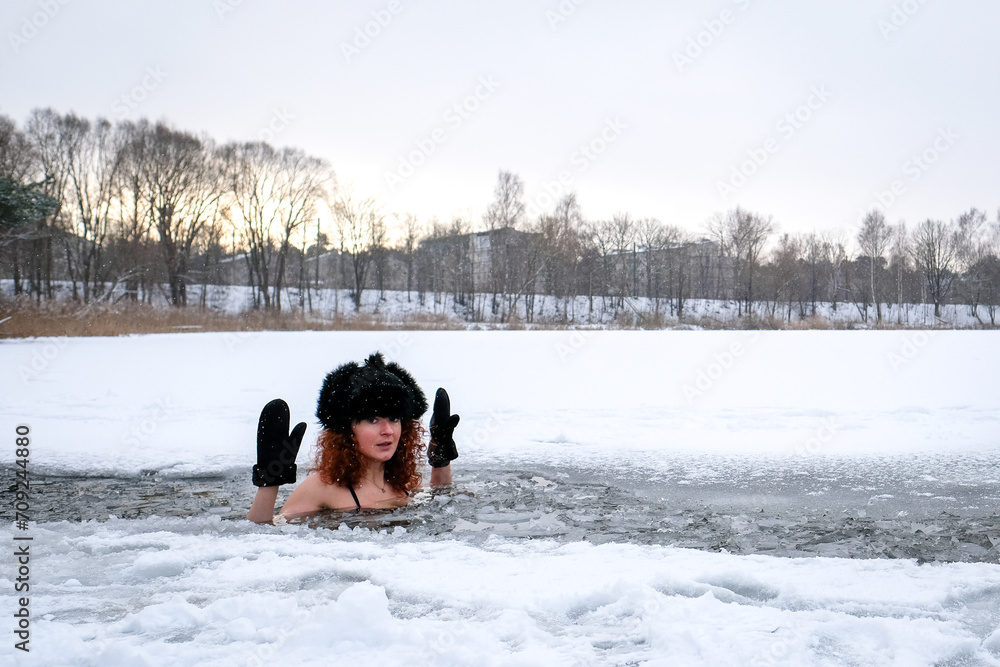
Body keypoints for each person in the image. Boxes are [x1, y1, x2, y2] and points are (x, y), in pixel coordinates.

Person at [246, 352, 460, 524]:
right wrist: (269, 483)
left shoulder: (403, 482)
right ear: (347, 430)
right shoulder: (322, 488)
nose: (388, 430)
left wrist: (440, 461)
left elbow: (441, 501)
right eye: (372, 420)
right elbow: (263, 535)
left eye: (394, 418)